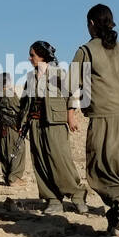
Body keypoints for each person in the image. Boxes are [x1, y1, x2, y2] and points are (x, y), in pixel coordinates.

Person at [69, 5, 119, 234]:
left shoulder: (85, 51)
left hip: (105, 116)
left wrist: (70, 112)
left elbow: (73, 85)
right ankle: (117, 222)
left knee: (98, 169)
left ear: (91, 23)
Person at [19, 41, 88, 214]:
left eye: (32, 55)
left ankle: (77, 195)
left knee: (60, 159)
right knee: (40, 161)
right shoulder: (30, 76)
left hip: (55, 122)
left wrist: (70, 116)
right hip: (35, 123)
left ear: (42, 55)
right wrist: (21, 123)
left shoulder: (59, 74)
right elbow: (24, 102)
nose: (29, 58)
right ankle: (52, 199)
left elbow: (73, 95)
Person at [0, 72, 27, 184]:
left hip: (2, 128)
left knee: (5, 152)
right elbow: (19, 110)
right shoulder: (10, 94)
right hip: (12, 128)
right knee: (17, 150)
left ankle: (7, 176)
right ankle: (15, 178)